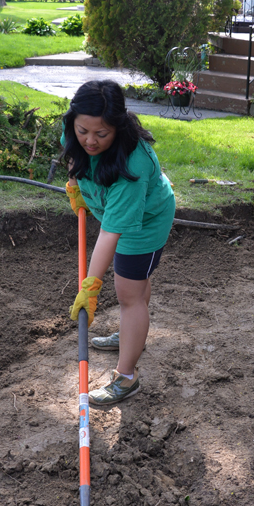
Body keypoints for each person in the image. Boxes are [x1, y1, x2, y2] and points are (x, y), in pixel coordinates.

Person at [64, 80, 175, 406]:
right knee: (134, 288)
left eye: (101, 134)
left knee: (129, 294)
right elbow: (73, 153)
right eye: (83, 131)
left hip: (146, 222)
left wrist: (90, 287)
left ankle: (127, 378)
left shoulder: (133, 166)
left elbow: (110, 234)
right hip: (119, 214)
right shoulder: (77, 129)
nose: (90, 140)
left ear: (118, 127)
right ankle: (131, 335)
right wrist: (75, 186)